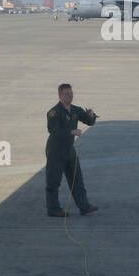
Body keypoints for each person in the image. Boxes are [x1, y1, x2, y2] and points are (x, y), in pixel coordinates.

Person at [45, 83, 98, 217]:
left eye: (71, 93)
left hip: (69, 150)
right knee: (53, 180)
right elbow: (53, 130)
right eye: (67, 94)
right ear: (60, 96)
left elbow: (89, 121)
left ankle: (84, 206)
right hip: (55, 151)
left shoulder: (75, 110)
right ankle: (53, 209)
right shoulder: (54, 112)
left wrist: (91, 116)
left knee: (76, 179)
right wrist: (71, 131)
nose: (70, 96)